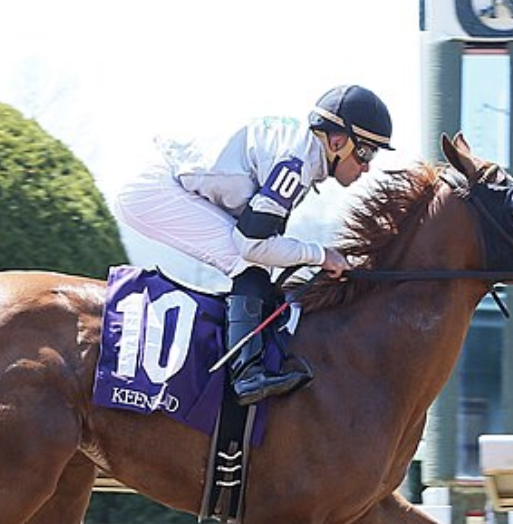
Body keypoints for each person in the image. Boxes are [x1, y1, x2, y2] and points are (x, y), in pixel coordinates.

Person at [114, 84, 394, 406]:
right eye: (366, 152)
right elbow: (252, 245)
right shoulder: (297, 162)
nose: (367, 166)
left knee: (260, 261)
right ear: (337, 141)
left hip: (163, 178)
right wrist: (321, 255)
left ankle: (250, 360)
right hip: (153, 189)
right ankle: (246, 373)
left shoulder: (304, 153)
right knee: (250, 259)